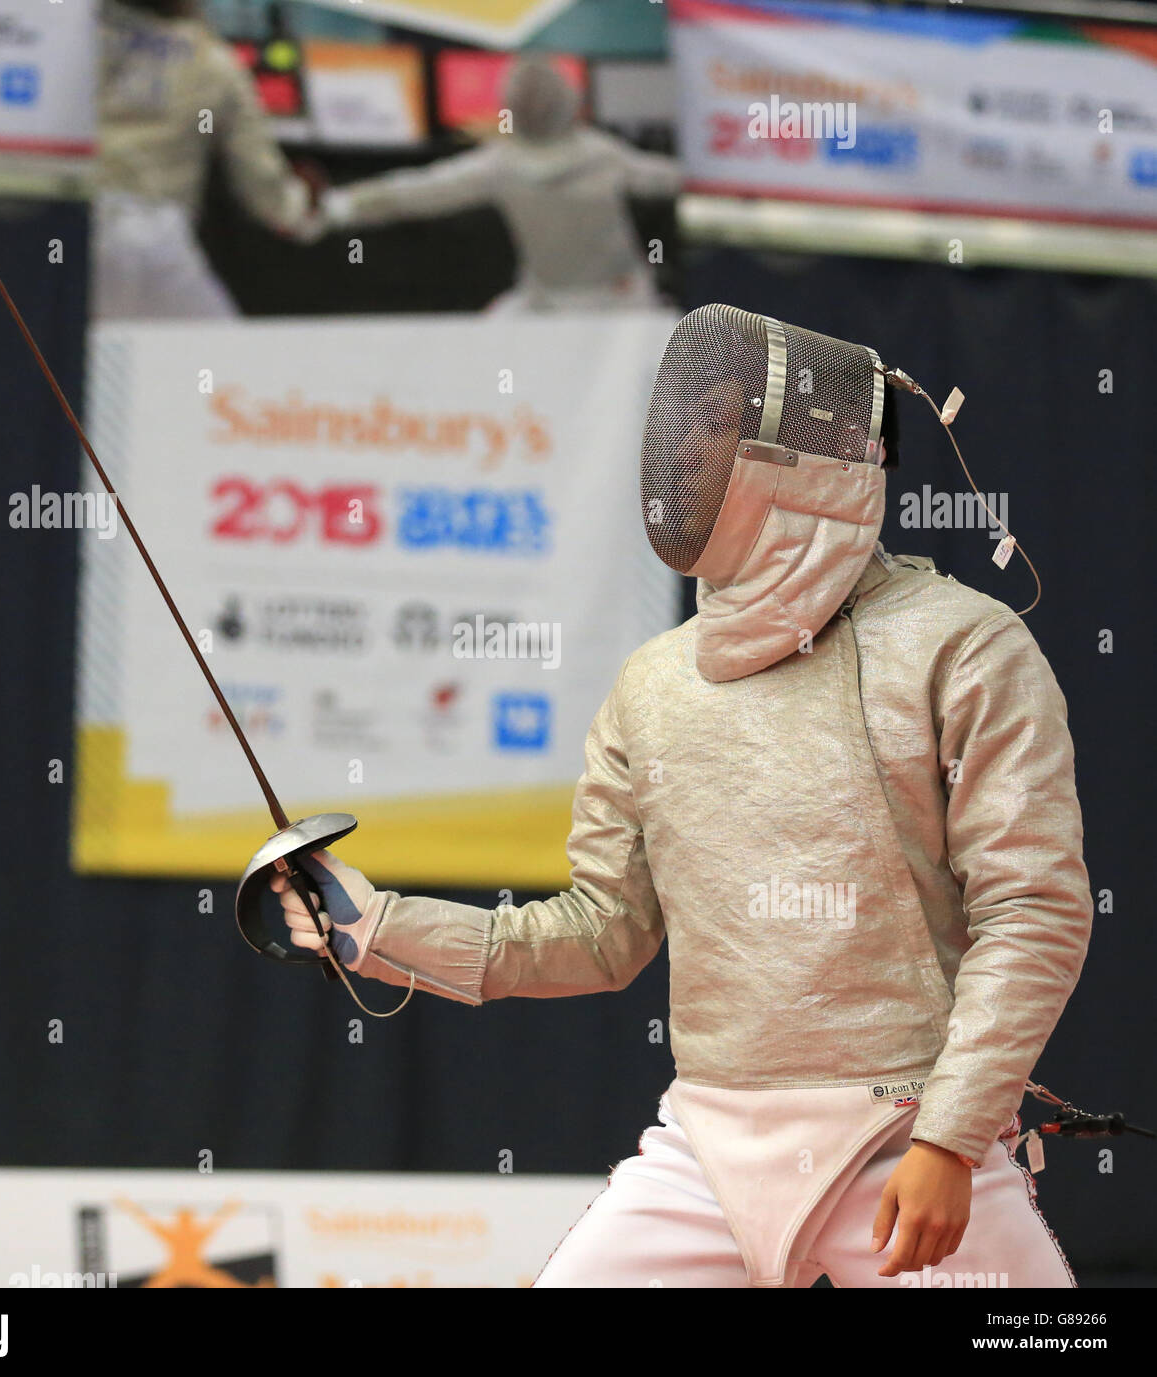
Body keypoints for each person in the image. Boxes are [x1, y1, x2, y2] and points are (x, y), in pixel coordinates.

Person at [272, 304, 1092, 1288]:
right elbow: (602, 930)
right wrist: (378, 926)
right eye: (687, 419)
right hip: (707, 1143)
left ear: (818, 455)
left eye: (719, 421)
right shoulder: (654, 686)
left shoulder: (965, 644)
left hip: (905, 1134)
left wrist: (953, 1141)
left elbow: (1032, 907)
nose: (686, 446)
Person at [308, 56, 682, 313]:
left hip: (619, 307)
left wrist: (335, 206)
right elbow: (673, 179)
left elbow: (413, 192)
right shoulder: (601, 155)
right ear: (570, 102)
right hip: (551, 306)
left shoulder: (502, 165)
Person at [94, 0, 313, 319]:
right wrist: (301, 206)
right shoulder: (212, 59)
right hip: (156, 238)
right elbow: (267, 194)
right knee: (228, 364)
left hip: (71, 230)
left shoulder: (74, 41)